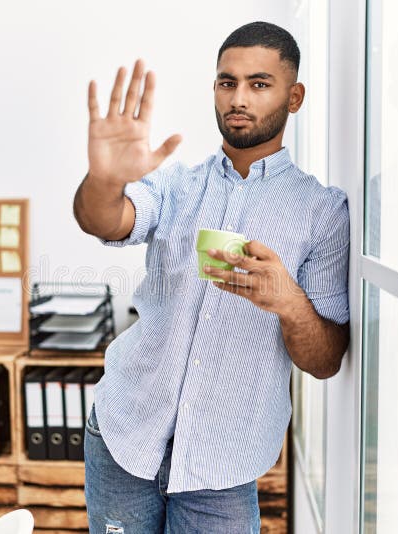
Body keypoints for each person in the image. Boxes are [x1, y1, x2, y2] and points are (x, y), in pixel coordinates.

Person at [73, 21, 350, 534]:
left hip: (221, 468)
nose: (239, 98)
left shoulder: (322, 211)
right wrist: (106, 179)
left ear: (294, 97)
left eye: (259, 84)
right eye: (227, 83)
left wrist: (289, 300)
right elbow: (104, 220)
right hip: (124, 437)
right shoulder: (175, 184)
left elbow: (327, 359)